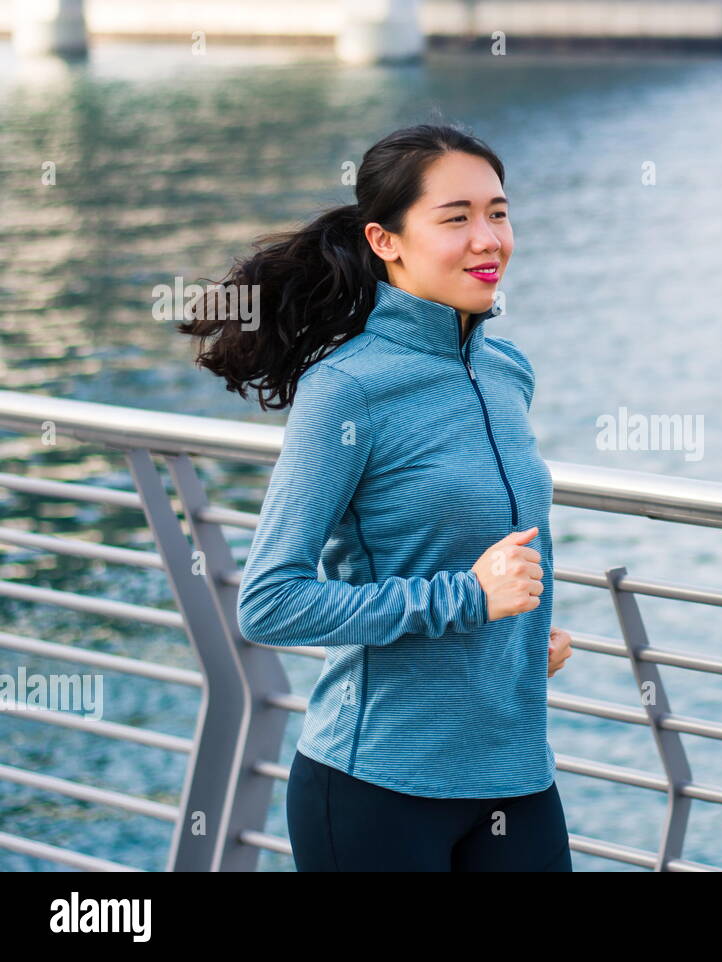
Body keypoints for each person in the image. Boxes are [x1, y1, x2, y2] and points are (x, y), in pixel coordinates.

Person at [179, 123, 574, 871]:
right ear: (385, 240)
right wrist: (467, 599)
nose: (488, 239)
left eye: (498, 212)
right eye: (455, 218)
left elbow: (483, 551)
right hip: (377, 789)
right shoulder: (348, 390)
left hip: (516, 775)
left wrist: (523, 637)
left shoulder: (506, 370)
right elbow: (269, 601)